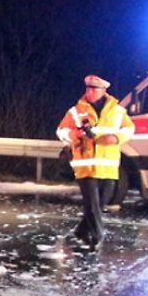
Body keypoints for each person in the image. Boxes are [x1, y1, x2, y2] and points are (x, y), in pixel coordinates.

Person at [56, 74, 135, 249]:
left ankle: (81, 231)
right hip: (85, 164)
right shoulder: (76, 111)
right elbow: (61, 131)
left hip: (108, 165)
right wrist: (74, 135)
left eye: (94, 89)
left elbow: (129, 129)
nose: (89, 92)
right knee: (92, 204)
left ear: (103, 91)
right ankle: (97, 236)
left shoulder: (118, 111)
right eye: (88, 88)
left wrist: (116, 138)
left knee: (101, 203)